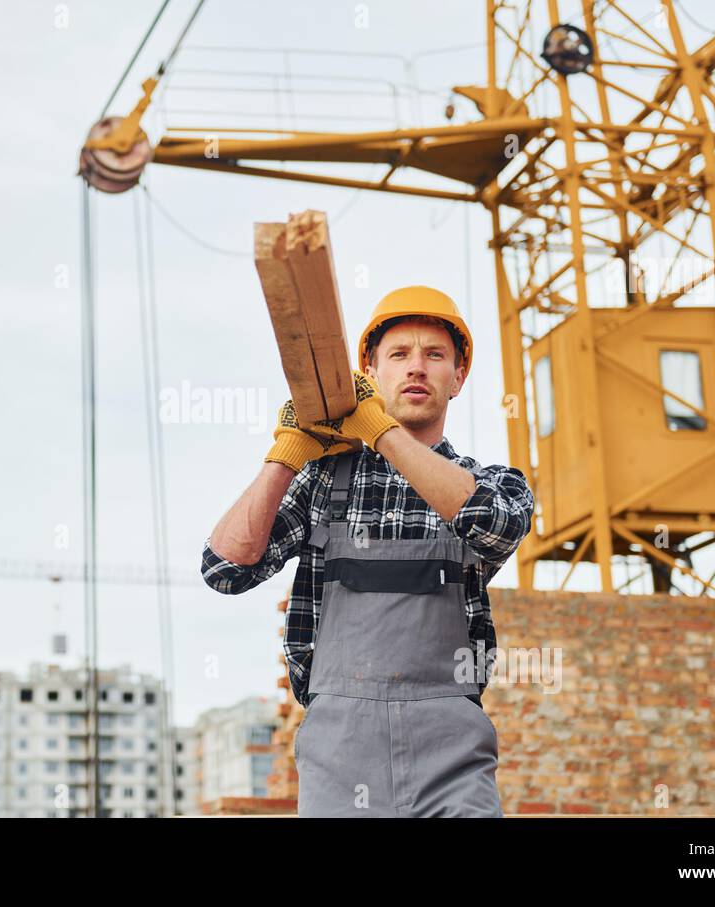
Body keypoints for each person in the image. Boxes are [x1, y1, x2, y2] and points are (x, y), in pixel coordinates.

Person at [201, 285, 534, 817]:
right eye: (399, 356)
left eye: (434, 355)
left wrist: (380, 431)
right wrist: (285, 458)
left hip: (451, 754)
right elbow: (224, 569)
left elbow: (494, 528)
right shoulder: (321, 485)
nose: (417, 368)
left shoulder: (489, 484)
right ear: (372, 374)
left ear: (458, 377)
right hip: (341, 756)